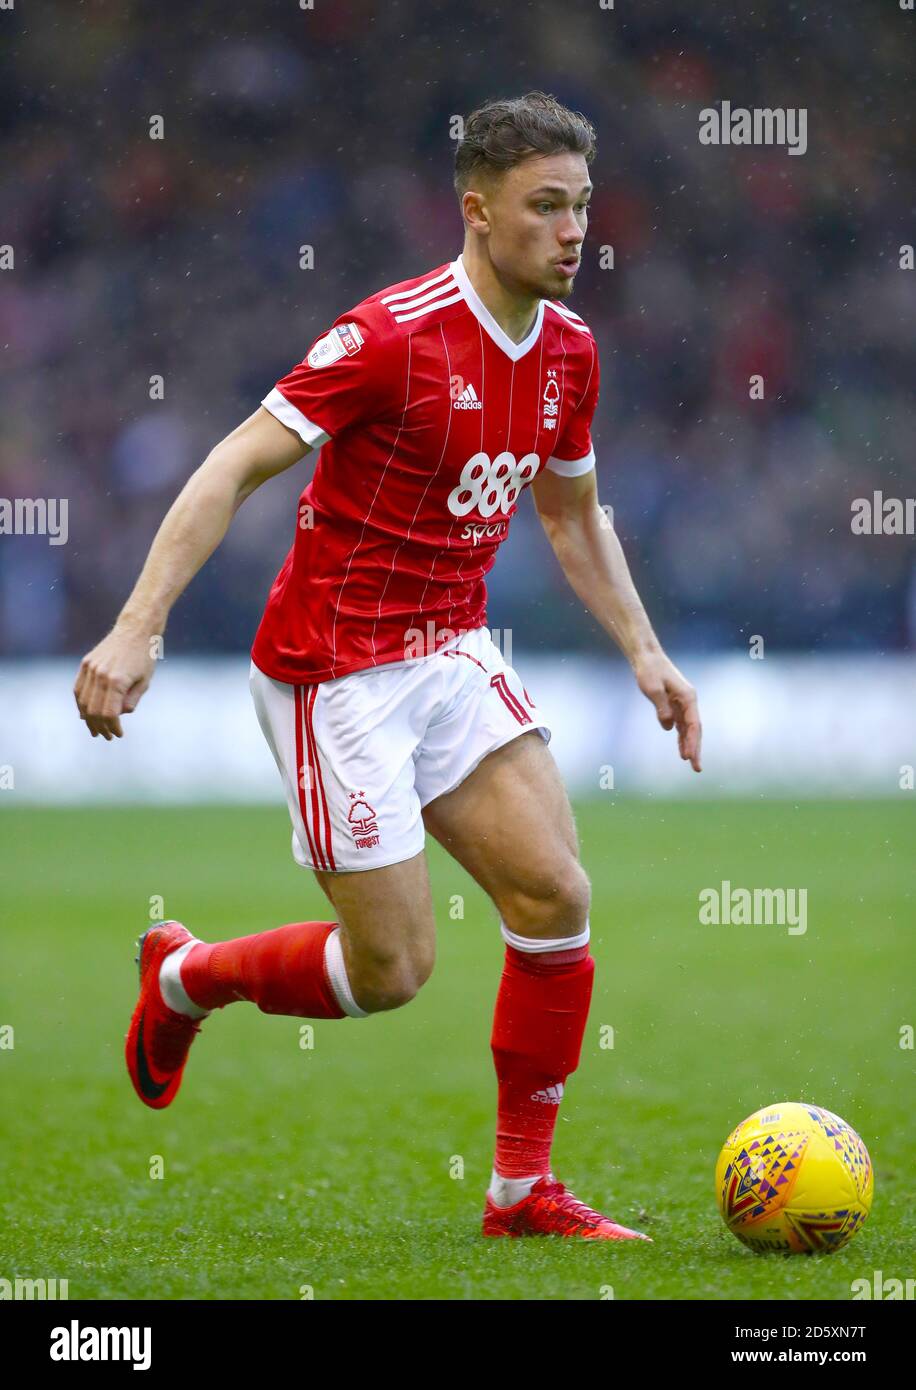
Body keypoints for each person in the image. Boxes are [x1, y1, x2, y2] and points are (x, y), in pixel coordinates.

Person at [74, 91, 701, 1240]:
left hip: (451, 649)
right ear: (476, 211)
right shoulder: (389, 336)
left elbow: (572, 518)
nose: (574, 233)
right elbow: (230, 465)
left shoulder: (570, 351)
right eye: (546, 207)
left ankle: (519, 1190)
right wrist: (136, 623)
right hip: (334, 670)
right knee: (391, 971)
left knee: (557, 894)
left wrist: (647, 655)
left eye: (582, 207)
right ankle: (185, 978)